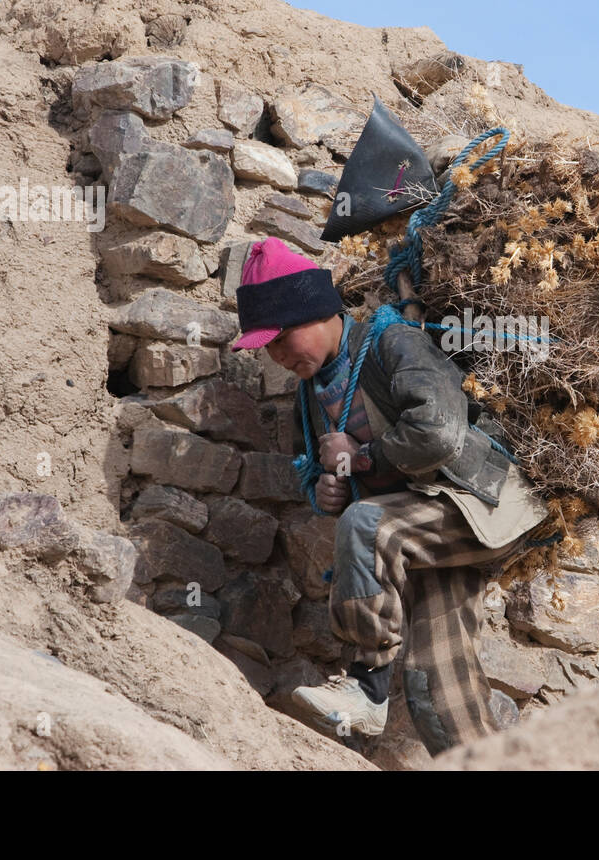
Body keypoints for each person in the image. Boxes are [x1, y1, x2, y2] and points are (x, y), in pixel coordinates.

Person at [231, 236, 547, 756]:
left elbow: (439, 431)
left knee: (366, 524)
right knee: (435, 683)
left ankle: (367, 684)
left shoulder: (393, 342)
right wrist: (326, 487)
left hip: (479, 506)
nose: (277, 355)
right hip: (421, 532)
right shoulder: (309, 394)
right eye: (267, 346)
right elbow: (312, 468)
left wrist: (360, 460)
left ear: (320, 312)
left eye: (282, 338)